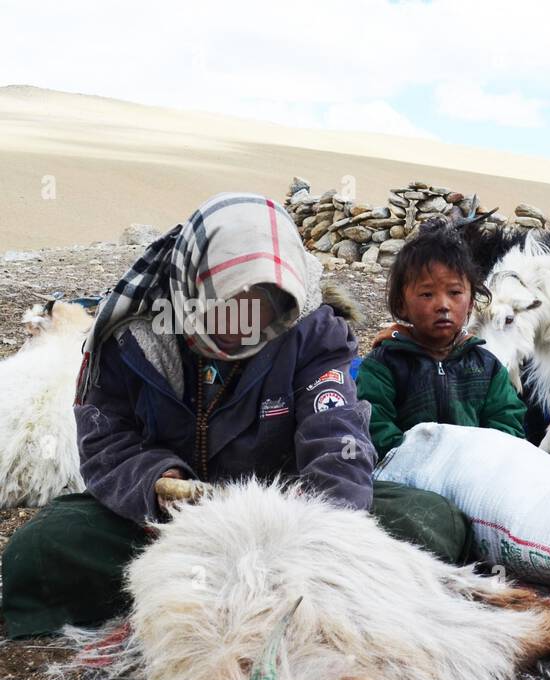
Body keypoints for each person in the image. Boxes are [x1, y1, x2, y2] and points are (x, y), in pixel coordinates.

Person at [1, 192, 469, 639]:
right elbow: (106, 441)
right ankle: (234, 587)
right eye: (228, 303)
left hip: (287, 511)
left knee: (431, 520)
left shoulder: (312, 331)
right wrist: (159, 482)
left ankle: (216, 587)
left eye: (263, 305)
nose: (245, 323)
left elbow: (335, 430)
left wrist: (327, 533)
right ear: (192, 286)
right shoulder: (132, 337)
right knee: (40, 552)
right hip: (167, 523)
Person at [356, 222, 526, 459]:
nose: (443, 305)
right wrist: (421, 459)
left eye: (455, 293)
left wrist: (479, 459)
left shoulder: (487, 368)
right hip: (406, 478)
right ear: (401, 306)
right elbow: (375, 428)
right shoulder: (383, 366)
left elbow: (508, 424)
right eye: (427, 294)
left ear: (471, 304)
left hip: (473, 473)